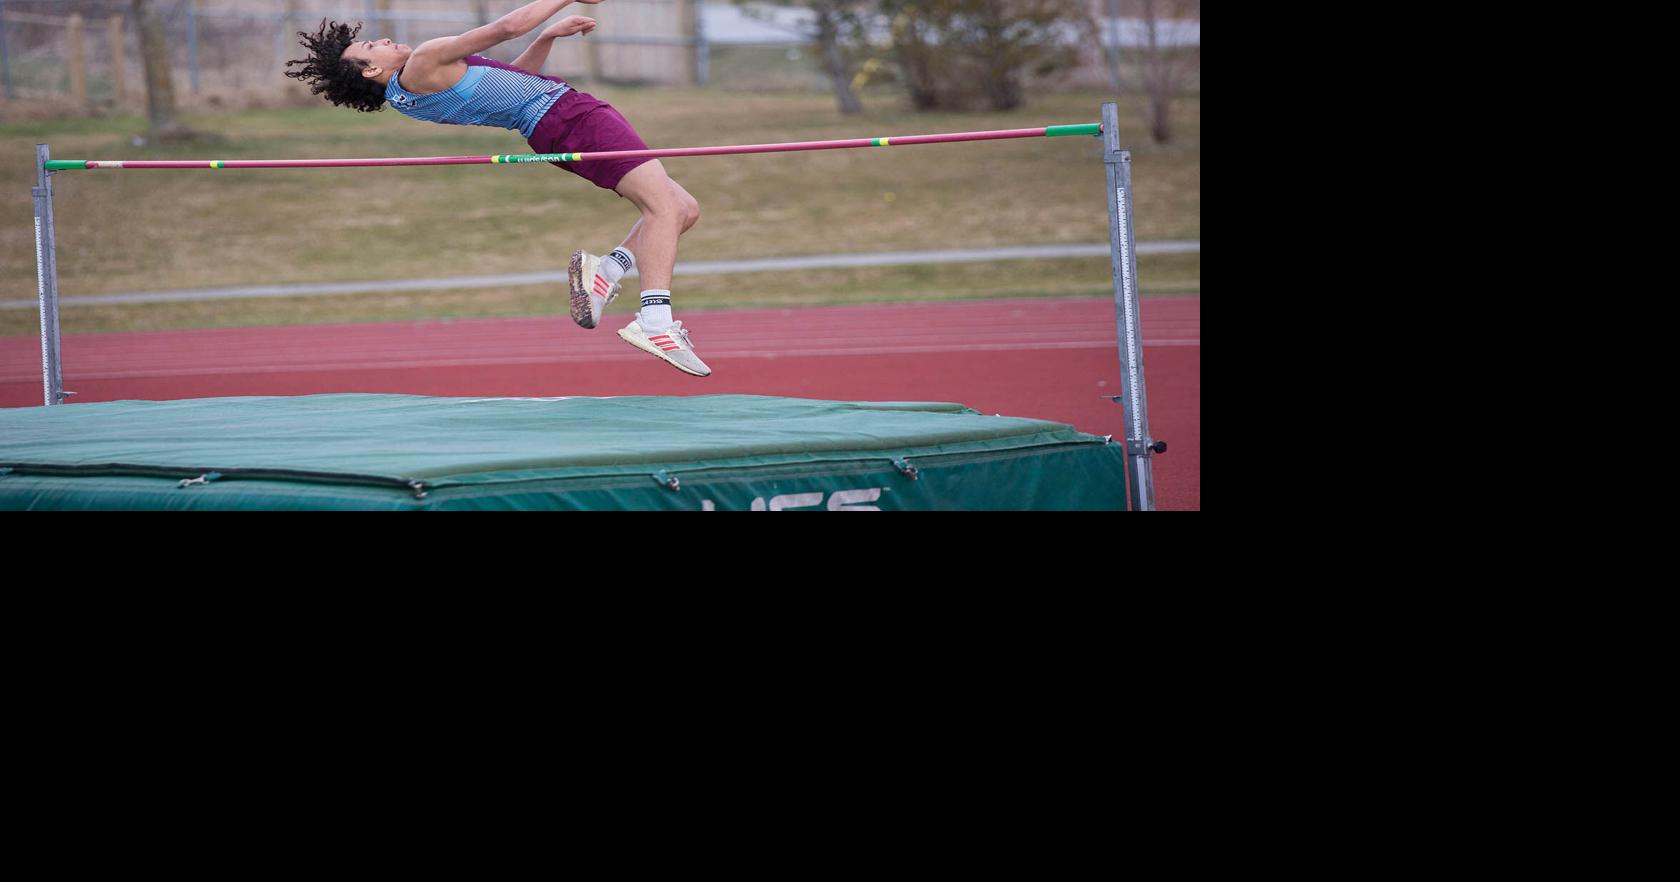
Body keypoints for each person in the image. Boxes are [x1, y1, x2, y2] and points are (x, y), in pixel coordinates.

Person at [285, 0, 709, 377]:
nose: (384, 38)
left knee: (682, 207)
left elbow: (513, 83)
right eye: (372, 47)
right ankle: (654, 322)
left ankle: (607, 271)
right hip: (574, 119)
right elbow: (504, 28)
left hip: (551, 129)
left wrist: (546, 36)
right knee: (664, 210)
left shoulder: (407, 96)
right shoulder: (424, 61)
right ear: (373, 70)